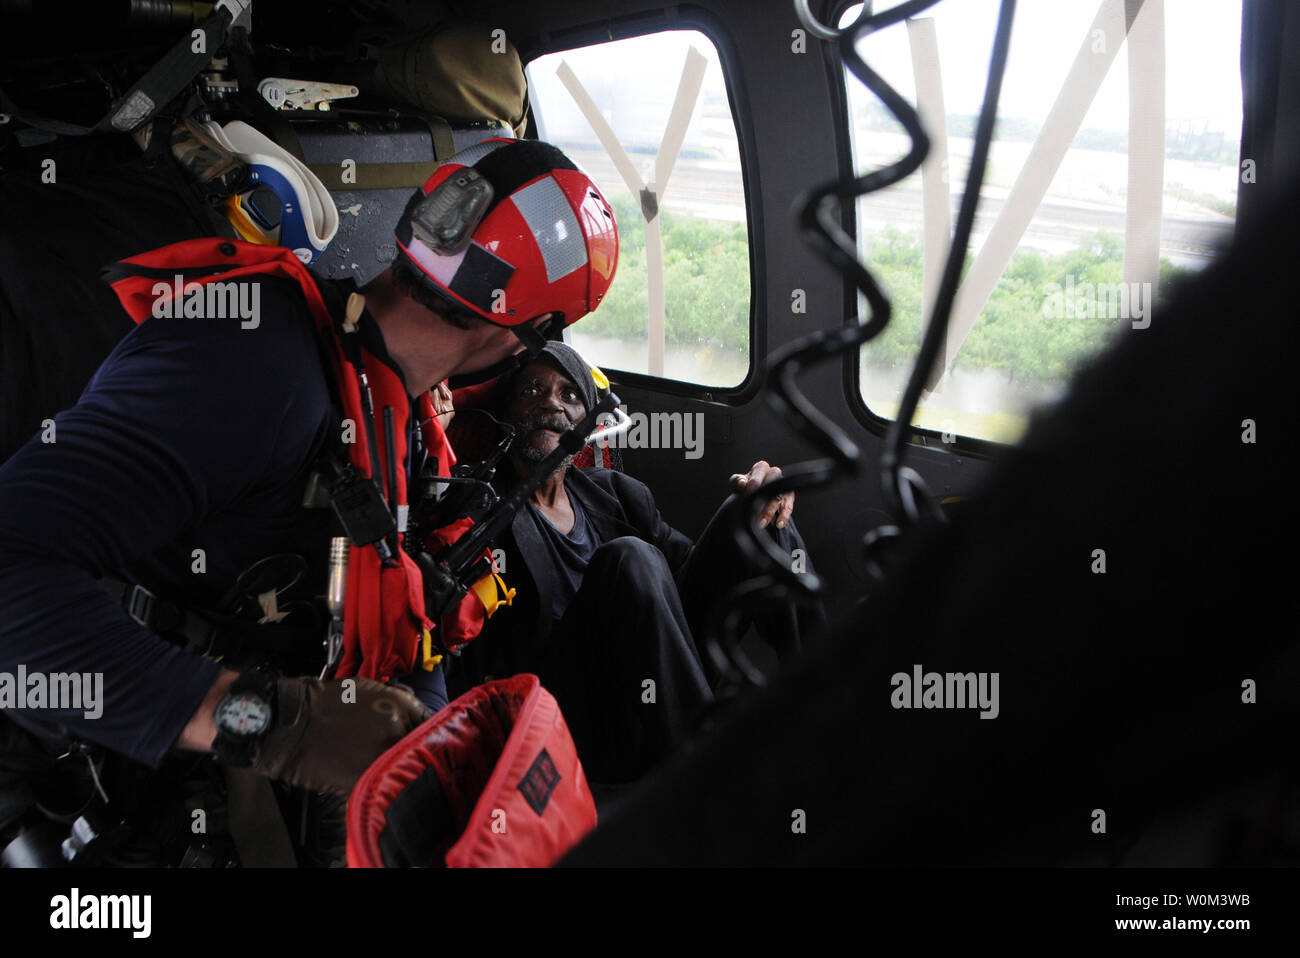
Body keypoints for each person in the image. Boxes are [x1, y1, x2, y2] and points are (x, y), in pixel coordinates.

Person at [0, 138, 619, 866]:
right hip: (90, 786)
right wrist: (277, 725)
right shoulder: (258, 362)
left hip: (231, 789)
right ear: (531, 334)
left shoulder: (388, 402)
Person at [445, 342, 822, 785]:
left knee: (752, 516)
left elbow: (688, 580)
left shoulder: (618, 493)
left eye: (570, 395)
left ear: (585, 423)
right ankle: (706, 779)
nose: (551, 402)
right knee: (631, 557)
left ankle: (825, 707)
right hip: (573, 714)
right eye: (533, 389)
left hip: (662, 684)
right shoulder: (481, 509)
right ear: (507, 413)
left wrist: (759, 493)